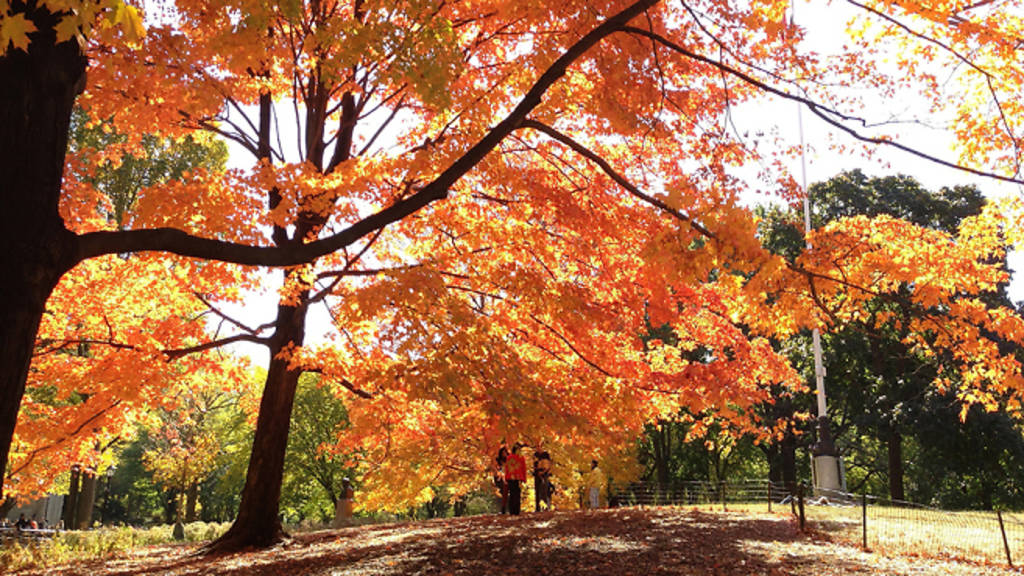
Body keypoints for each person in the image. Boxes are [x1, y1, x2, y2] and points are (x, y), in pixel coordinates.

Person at [505, 443, 527, 515]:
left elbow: (507, 468)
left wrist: (506, 477)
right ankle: (516, 511)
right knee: (517, 494)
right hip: (518, 478)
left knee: (511, 494)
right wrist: (524, 478)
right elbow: (523, 468)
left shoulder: (509, 457)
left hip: (510, 478)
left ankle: (512, 511)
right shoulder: (521, 458)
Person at [533, 445, 552, 511]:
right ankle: (538, 508)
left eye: (539, 446)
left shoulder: (546, 455)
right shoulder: (535, 455)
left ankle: (546, 507)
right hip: (537, 475)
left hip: (545, 475)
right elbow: (534, 465)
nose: (538, 448)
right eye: (537, 446)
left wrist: (543, 472)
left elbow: (548, 465)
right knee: (537, 491)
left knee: (544, 490)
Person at [494, 445, 510, 514]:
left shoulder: (509, 459)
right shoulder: (498, 461)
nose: (504, 454)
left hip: (508, 477)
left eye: (505, 452)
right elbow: (496, 469)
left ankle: (507, 508)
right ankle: (503, 508)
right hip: (501, 478)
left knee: (507, 493)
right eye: (503, 453)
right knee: (503, 493)